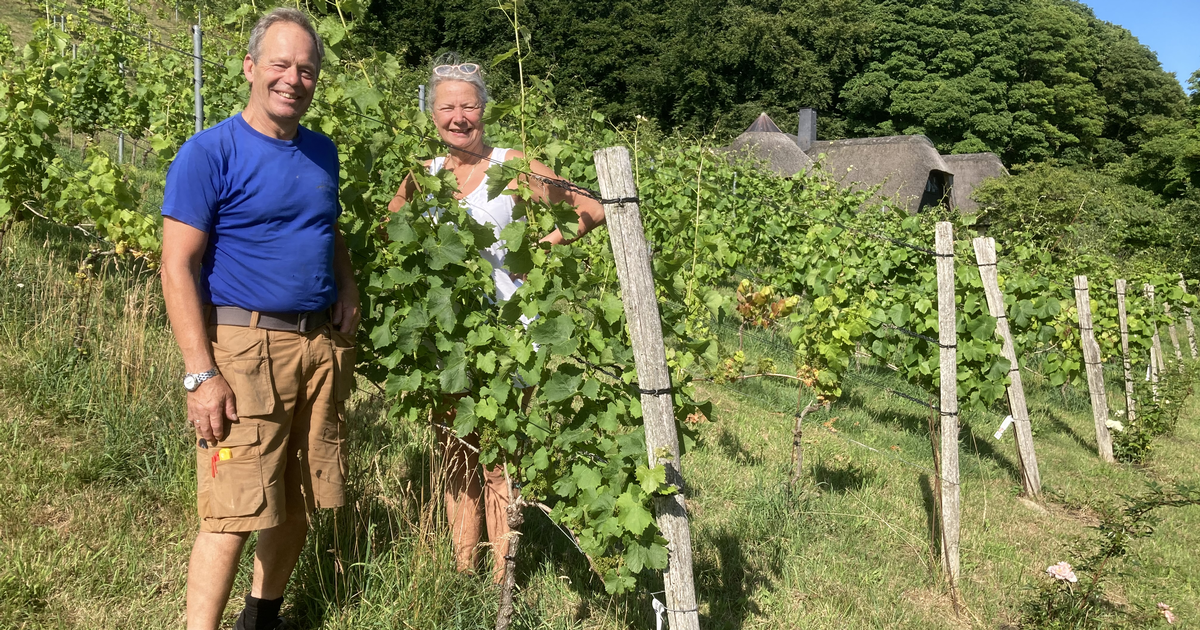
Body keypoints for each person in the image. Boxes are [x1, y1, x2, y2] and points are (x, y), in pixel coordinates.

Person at [160, 8, 359, 630]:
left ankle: (261, 619)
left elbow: (326, 227)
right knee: (232, 509)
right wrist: (201, 375)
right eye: (279, 64)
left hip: (317, 347)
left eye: (306, 69)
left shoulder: (321, 152)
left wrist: (348, 283)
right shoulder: (208, 153)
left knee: (298, 498)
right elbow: (176, 266)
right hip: (244, 350)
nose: (292, 79)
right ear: (250, 67)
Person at [386, 55, 606, 582]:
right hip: (446, 336)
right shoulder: (424, 174)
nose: (458, 117)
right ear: (432, 114)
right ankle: (464, 573)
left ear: (484, 110)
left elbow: (592, 207)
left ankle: (502, 579)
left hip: (510, 333)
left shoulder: (512, 164)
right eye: (447, 107)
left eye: (468, 106)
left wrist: (543, 247)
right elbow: (390, 227)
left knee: (498, 455)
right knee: (456, 450)